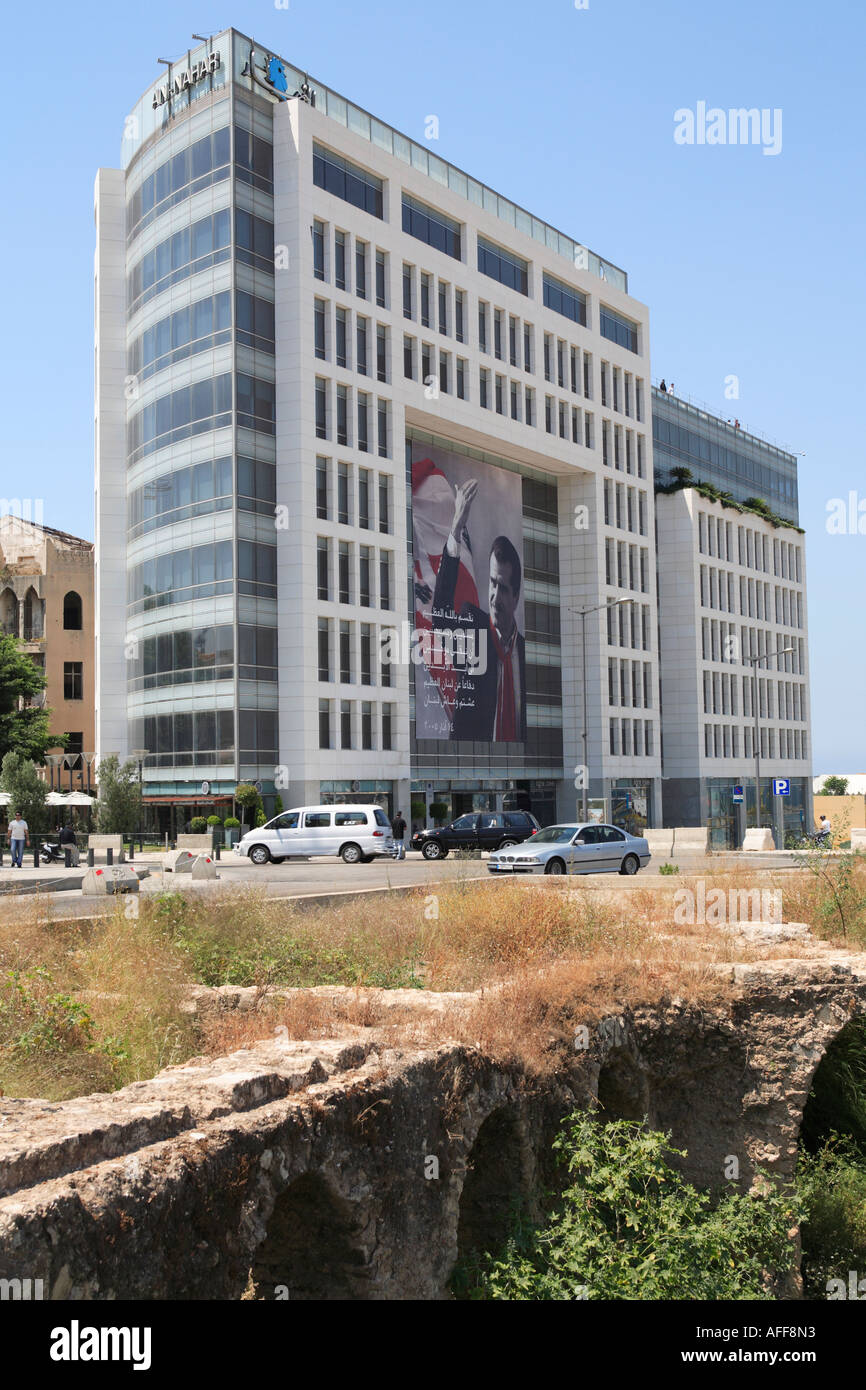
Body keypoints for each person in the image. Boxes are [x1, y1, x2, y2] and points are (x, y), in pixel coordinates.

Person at [432, 478, 526, 742]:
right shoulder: (474, 632)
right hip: (470, 763)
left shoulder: (525, 654)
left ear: (516, 596)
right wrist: (456, 528)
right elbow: (439, 615)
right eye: (492, 585)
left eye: (504, 589)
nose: (495, 597)